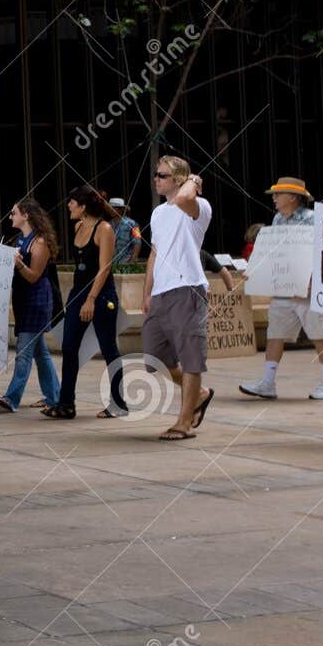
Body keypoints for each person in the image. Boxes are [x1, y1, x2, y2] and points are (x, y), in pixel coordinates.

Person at [239, 178, 323, 401]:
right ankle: (267, 382)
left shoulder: (313, 219)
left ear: (293, 197)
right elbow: (276, 252)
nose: (274, 198)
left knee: (319, 334)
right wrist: (257, 271)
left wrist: (315, 280)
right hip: (285, 288)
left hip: (309, 289)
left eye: (278, 194)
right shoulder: (277, 219)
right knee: (276, 333)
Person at [141, 156, 216, 441]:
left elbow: (185, 199)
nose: (156, 179)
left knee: (191, 358)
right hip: (161, 292)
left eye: (162, 175)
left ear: (178, 180)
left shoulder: (199, 206)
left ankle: (184, 423)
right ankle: (200, 394)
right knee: (154, 357)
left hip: (189, 288)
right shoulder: (158, 213)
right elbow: (155, 252)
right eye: (156, 175)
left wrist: (194, 181)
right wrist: (147, 292)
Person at [51, 186, 128, 419]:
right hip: (77, 293)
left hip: (102, 295)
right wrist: (81, 299)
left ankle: (118, 403)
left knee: (108, 347)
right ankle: (66, 404)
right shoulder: (77, 226)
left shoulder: (103, 229)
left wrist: (91, 299)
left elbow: (105, 268)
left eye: (72, 202)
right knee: (69, 346)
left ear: (83, 206)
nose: (68, 206)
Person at [0, 198, 60, 414]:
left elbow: (34, 276)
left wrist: (18, 263)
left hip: (37, 302)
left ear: (26, 215)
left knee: (24, 351)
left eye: (14, 213)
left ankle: (12, 397)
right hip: (23, 301)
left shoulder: (39, 242)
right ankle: (54, 396)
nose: (11, 217)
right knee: (40, 353)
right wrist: (4, 256)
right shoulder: (21, 239)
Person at [107, 197, 141, 264]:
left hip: (126, 262)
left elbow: (138, 243)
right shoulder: (108, 225)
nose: (111, 210)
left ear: (121, 210)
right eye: (111, 208)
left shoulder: (134, 224)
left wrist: (132, 261)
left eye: (115, 208)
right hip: (111, 262)